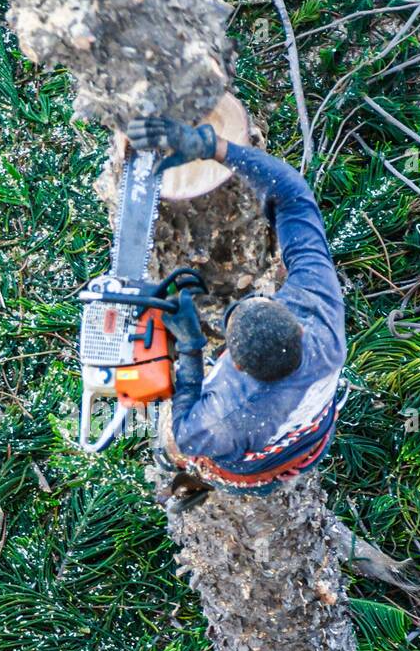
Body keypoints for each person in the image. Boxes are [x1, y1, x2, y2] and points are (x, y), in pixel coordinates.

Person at [125, 115, 346, 511]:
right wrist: (216, 148)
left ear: (236, 366)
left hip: (255, 468)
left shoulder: (219, 419)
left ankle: (196, 481)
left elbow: (187, 427)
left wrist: (192, 347)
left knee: (179, 446)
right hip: (314, 435)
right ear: (293, 323)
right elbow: (294, 194)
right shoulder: (321, 311)